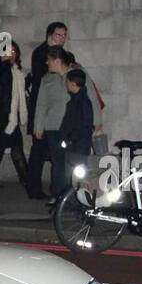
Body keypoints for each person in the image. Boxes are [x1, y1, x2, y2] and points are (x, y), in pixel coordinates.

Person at [24, 22, 68, 199]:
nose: (62, 38)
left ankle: (48, 188)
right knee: (39, 151)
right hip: (43, 108)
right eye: (59, 35)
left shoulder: (62, 54)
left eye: (64, 35)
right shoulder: (41, 53)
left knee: (44, 152)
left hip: (54, 111)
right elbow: (42, 80)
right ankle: (34, 188)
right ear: (50, 35)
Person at [0, 39, 28, 189]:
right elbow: (1, 84)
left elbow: (19, 89)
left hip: (12, 112)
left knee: (7, 144)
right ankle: (26, 179)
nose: (12, 54)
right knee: (14, 143)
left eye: (14, 52)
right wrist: (5, 63)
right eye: (9, 51)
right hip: (4, 112)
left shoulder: (16, 69)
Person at [32, 46, 71, 198]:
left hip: (72, 127)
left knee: (72, 162)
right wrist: (38, 127)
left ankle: (73, 195)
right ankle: (59, 196)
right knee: (58, 163)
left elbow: (91, 99)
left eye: (49, 61)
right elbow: (41, 104)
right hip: (53, 127)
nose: (47, 64)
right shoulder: (47, 79)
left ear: (57, 61)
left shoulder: (76, 75)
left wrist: (96, 121)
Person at [57, 69, 94, 196]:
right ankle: (72, 201)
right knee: (72, 177)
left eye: (67, 82)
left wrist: (69, 139)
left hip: (78, 147)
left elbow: (84, 126)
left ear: (73, 83)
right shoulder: (75, 101)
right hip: (73, 146)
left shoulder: (82, 103)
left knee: (77, 178)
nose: (66, 84)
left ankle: (80, 203)